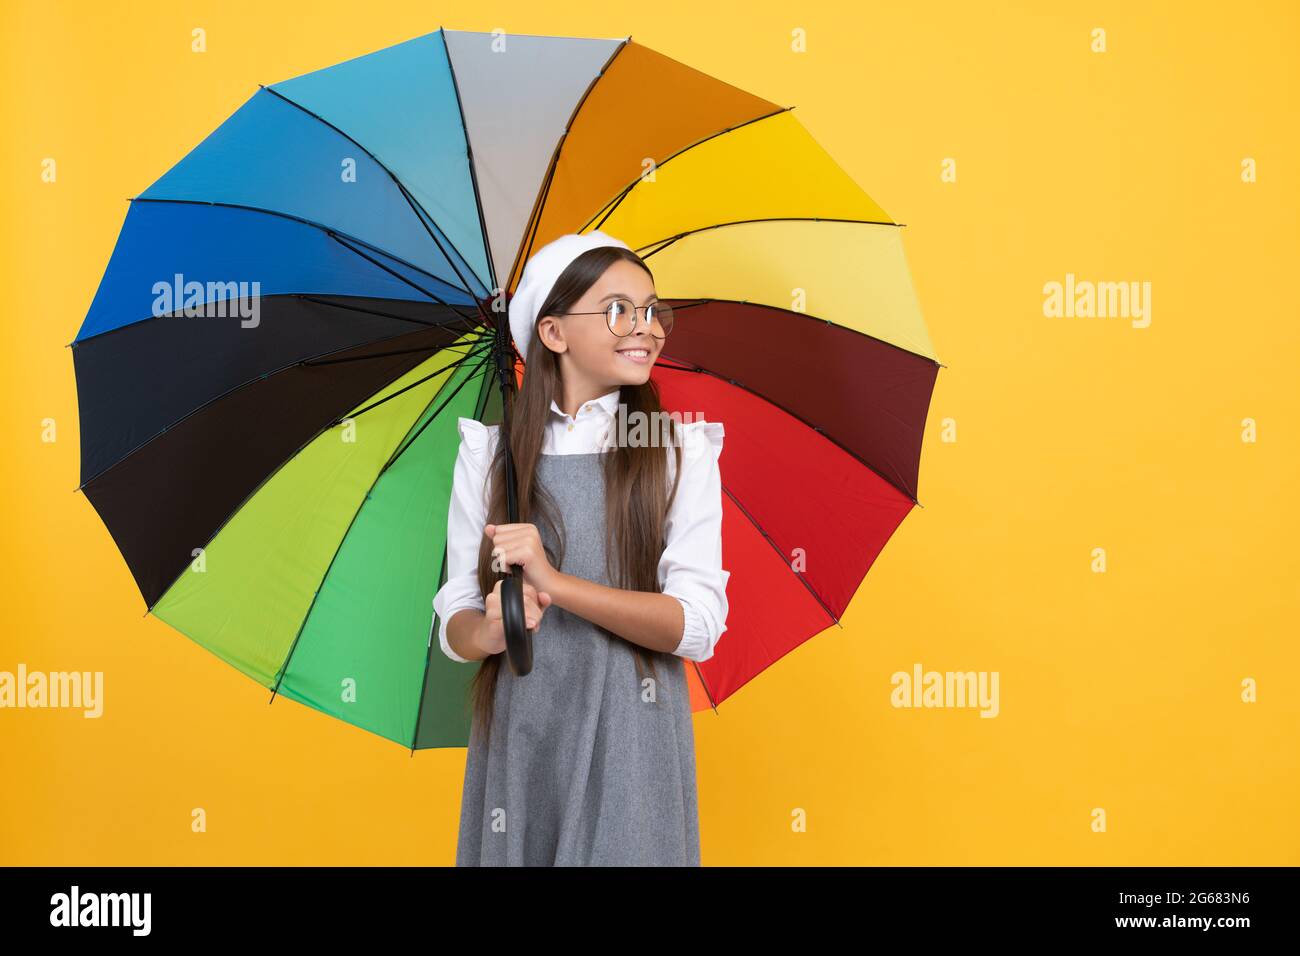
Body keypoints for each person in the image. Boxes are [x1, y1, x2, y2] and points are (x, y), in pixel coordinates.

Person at [432, 231, 730, 866]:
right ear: (554, 334)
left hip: (635, 735)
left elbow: (697, 626)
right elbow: (455, 621)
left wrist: (555, 583)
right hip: (525, 733)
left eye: (654, 311)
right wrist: (488, 630)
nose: (645, 328)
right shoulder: (490, 456)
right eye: (619, 309)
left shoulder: (680, 452)